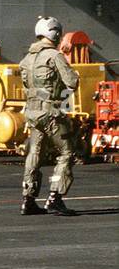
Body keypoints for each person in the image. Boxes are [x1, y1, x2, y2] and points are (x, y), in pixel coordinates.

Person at [19, 16, 79, 216]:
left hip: (32, 113)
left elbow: (27, 87)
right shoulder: (55, 56)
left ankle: (28, 199)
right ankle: (55, 197)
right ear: (54, 33)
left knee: (35, 153)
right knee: (67, 152)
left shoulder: (26, 59)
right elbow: (72, 82)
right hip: (51, 112)